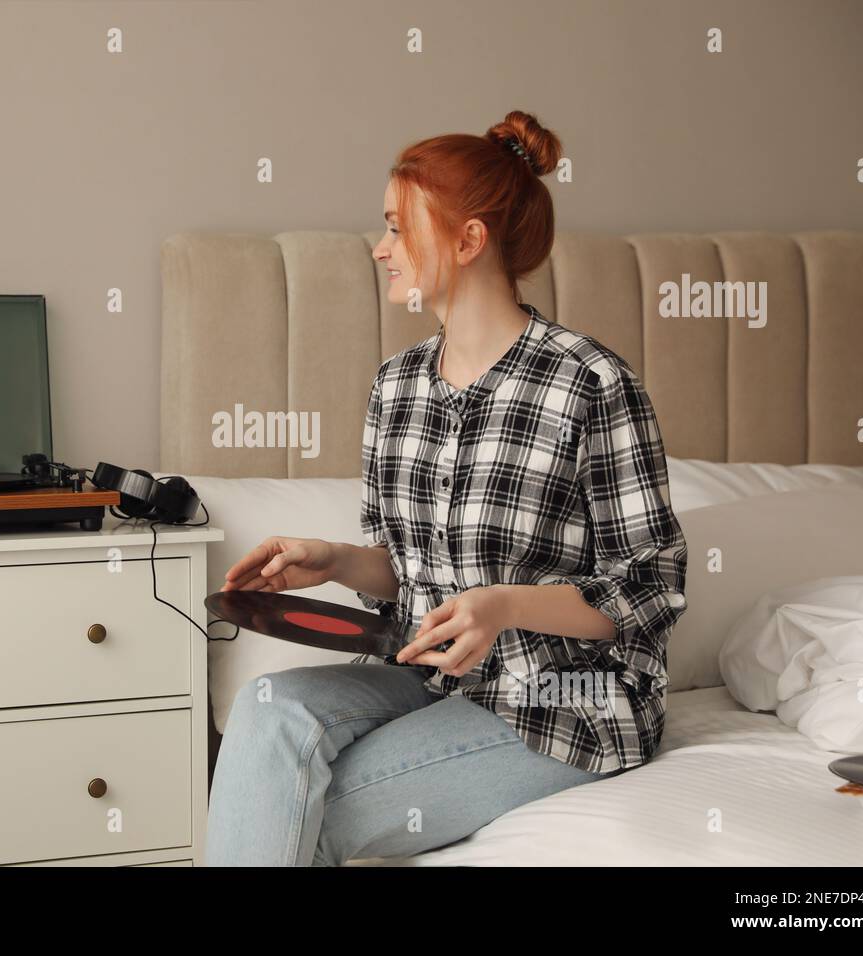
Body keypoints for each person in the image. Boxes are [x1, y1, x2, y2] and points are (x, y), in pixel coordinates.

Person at [205, 110, 688, 866]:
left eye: (399, 228)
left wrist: (506, 606)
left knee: (293, 811)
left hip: (564, 699)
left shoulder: (589, 382)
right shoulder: (395, 387)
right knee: (267, 713)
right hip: (434, 681)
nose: (381, 248)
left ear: (468, 240)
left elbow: (650, 591)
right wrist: (331, 560)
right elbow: (410, 575)